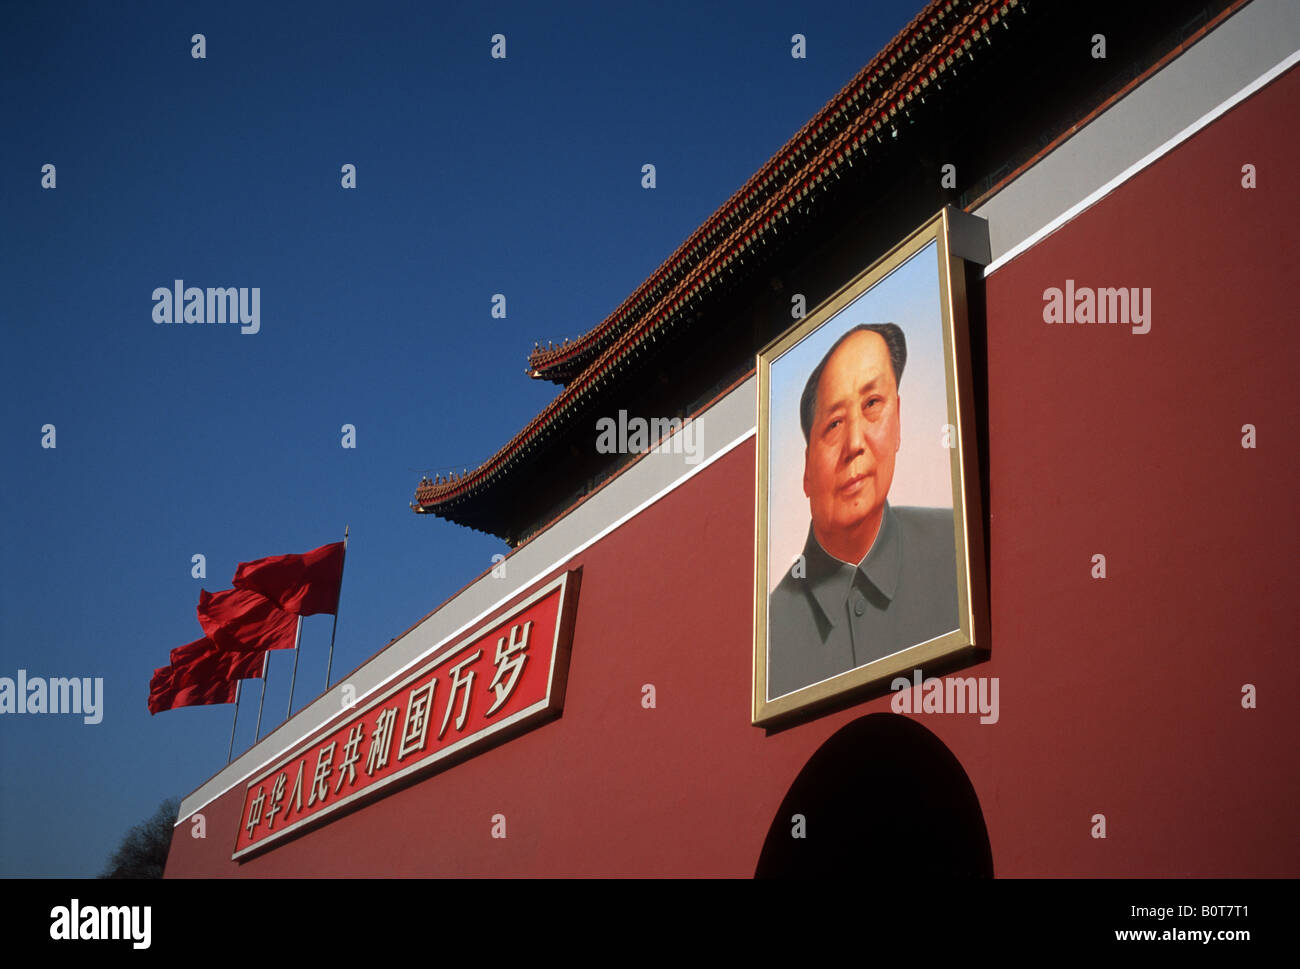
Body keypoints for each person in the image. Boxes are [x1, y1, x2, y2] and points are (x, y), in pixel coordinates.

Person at [767, 323, 958, 700]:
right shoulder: (772, 631)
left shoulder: (955, 547)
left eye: (872, 404)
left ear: (898, 418)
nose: (855, 444)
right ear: (806, 469)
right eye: (835, 424)